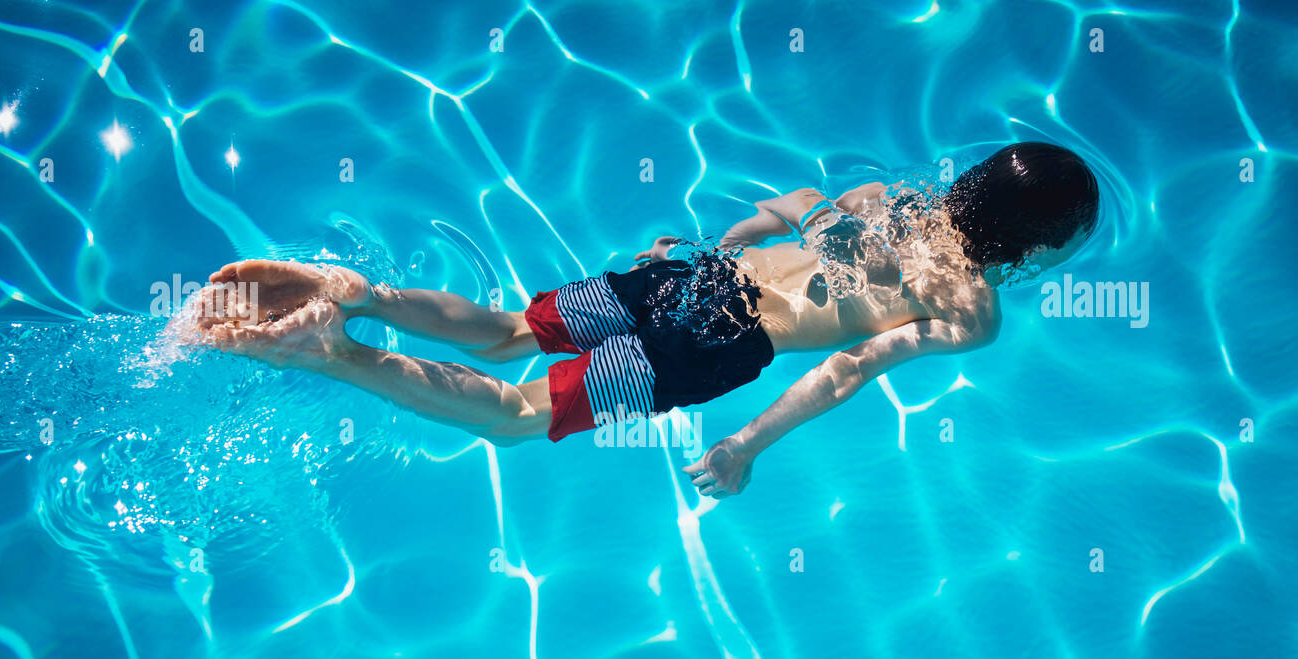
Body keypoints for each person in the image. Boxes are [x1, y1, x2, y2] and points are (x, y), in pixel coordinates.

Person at [181, 141, 1099, 498]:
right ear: (1041, 243)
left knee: (510, 328)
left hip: (689, 276)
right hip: (721, 343)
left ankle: (367, 295)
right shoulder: (969, 307)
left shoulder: (885, 196)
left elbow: (795, 203)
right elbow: (849, 370)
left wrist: (695, 247)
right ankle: (333, 353)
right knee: (515, 415)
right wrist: (745, 445)